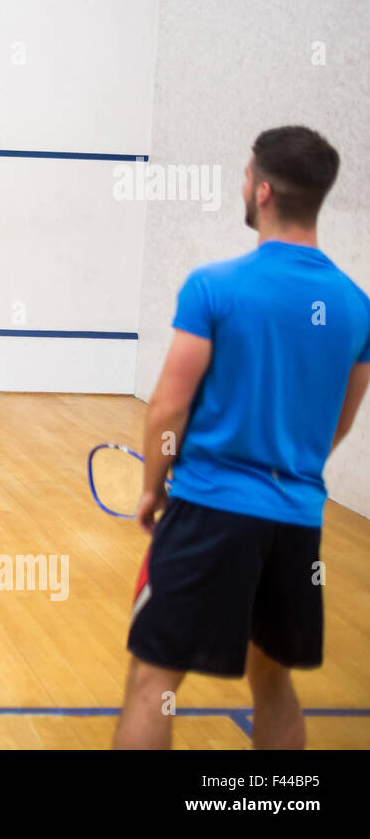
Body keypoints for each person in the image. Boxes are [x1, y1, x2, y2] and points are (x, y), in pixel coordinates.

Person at [114, 126, 370, 749]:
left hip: (209, 512)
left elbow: (168, 409)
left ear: (261, 191)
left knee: (154, 680)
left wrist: (152, 488)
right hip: (295, 520)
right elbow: (341, 418)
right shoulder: (356, 306)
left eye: (243, 174)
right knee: (273, 681)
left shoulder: (215, 287)